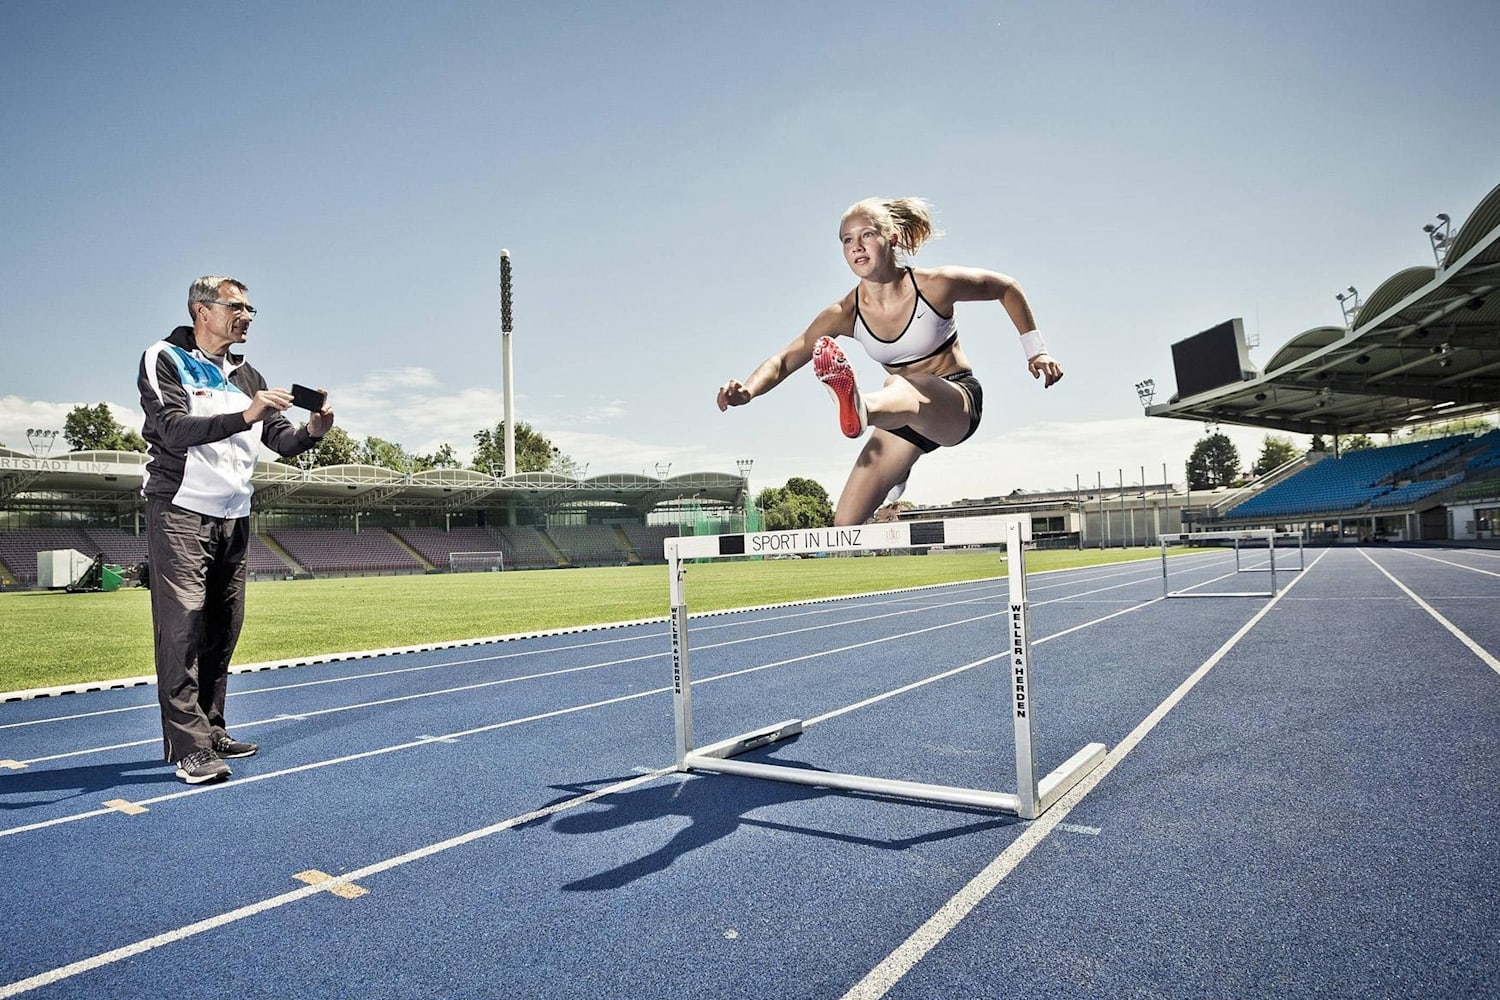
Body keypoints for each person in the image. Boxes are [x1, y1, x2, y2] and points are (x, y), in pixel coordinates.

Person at [717, 197, 1063, 526]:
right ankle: (877, 434)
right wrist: (748, 390)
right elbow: (784, 359)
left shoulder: (934, 286)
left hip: (954, 403)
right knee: (845, 521)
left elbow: (1006, 287)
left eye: (867, 235)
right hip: (900, 421)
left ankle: (859, 406)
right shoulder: (845, 312)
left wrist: (1037, 351)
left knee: (899, 383)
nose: (856, 246)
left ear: (891, 238)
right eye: (847, 240)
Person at [138, 276, 334, 783]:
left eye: (251, 309)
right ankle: (190, 747)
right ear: (202, 310)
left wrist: (312, 431)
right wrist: (245, 413)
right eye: (237, 306)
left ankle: (213, 726)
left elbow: (281, 441)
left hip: (235, 514)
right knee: (181, 630)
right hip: (180, 509)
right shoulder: (164, 357)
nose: (246, 315)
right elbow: (172, 429)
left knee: (222, 630)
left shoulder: (248, 374)